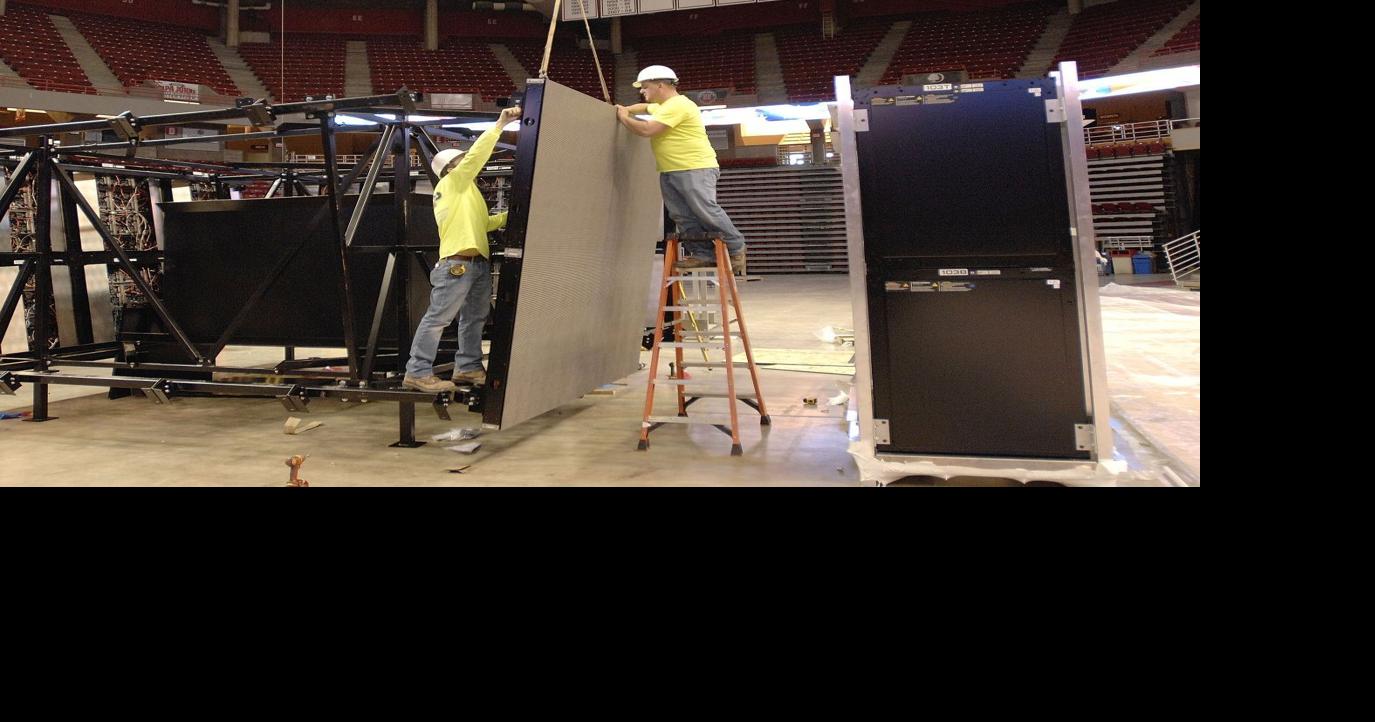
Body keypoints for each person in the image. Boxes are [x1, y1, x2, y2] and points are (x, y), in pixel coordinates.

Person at [401, 104, 521, 392]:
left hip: (474, 263)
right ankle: (417, 372)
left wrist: (515, 214)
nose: (468, 161)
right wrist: (498, 126)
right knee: (438, 319)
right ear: (451, 167)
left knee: (474, 318)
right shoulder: (453, 183)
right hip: (458, 265)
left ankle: (467, 368)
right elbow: (477, 157)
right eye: (462, 160)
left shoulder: (466, 193)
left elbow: (485, 224)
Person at [614, 65, 746, 270]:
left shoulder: (679, 105)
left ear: (660, 85)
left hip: (694, 167)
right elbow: (644, 108)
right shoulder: (662, 106)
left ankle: (736, 247)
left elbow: (648, 129)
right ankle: (702, 254)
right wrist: (627, 108)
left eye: (644, 86)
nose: (641, 91)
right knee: (682, 215)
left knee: (705, 210)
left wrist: (623, 117)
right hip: (670, 170)